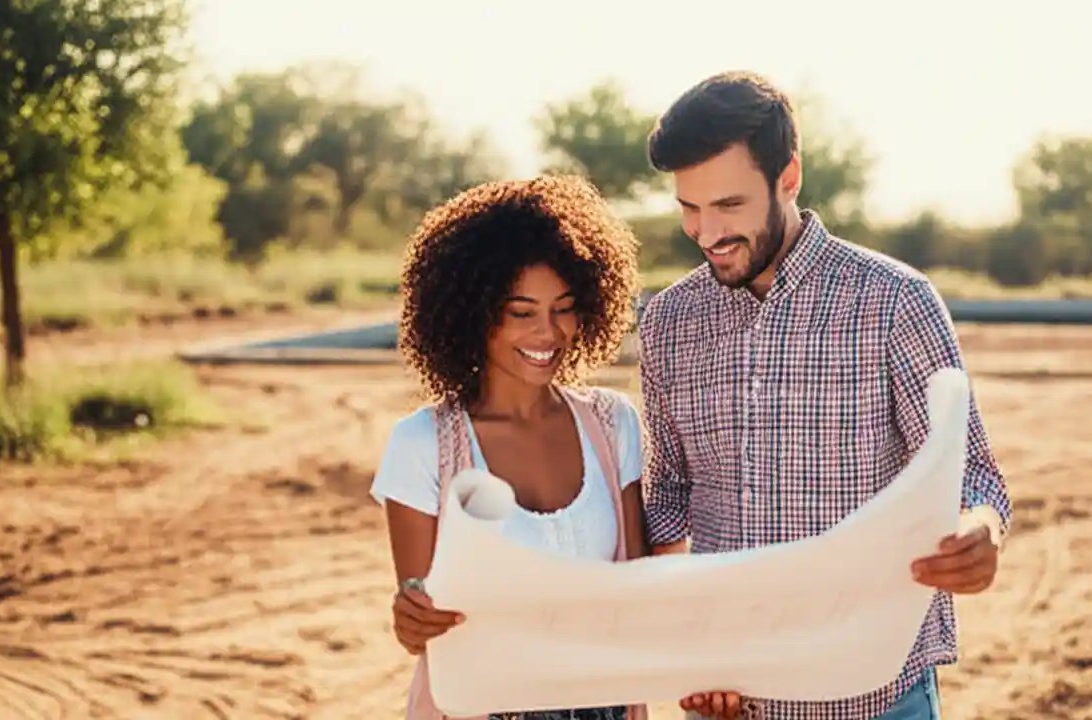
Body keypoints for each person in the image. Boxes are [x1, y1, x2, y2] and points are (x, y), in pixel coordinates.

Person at [637, 71, 1014, 720]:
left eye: (728, 206)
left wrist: (980, 531)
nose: (705, 233)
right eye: (688, 209)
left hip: (878, 697)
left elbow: (972, 473)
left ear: (788, 179)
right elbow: (668, 490)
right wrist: (696, 638)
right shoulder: (669, 322)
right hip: (732, 700)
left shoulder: (895, 302)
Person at [368, 175, 651, 720]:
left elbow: (635, 591)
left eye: (564, 308)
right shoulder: (422, 444)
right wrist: (412, 616)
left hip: (606, 706)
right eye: (522, 312)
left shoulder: (613, 425)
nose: (548, 332)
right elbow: (421, 629)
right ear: (474, 312)